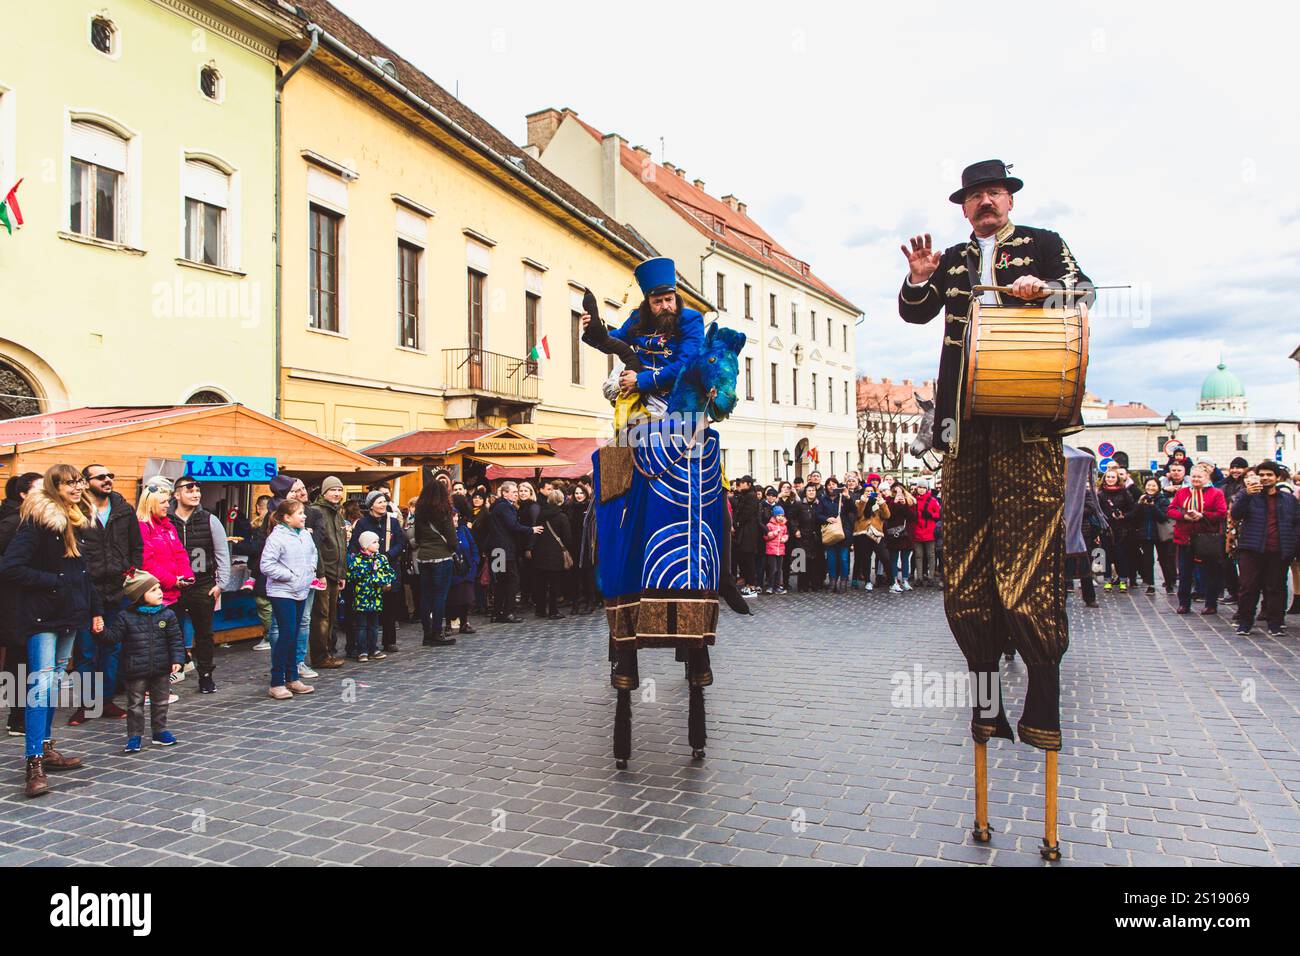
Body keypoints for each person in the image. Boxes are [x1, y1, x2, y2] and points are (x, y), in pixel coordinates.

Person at [899, 158, 1093, 778]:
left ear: (1009, 200)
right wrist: (918, 279)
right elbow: (916, 313)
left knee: (1028, 546)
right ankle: (985, 693)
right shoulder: (954, 258)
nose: (986, 202)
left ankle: (1041, 694)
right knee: (966, 554)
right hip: (962, 422)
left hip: (1025, 416)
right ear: (964, 207)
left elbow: (1082, 289)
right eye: (976, 195)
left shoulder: (1042, 243)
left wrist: (1047, 291)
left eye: (995, 192)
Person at [0, 465, 102, 798]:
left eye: (79, 482)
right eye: (70, 483)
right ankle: (33, 762)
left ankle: (45, 748)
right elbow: (11, 566)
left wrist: (94, 608)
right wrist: (54, 584)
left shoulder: (75, 519)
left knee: (55, 682)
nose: (78, 487)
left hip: (69, 616)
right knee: (40, 686)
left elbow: (84, 573)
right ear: (54, 486)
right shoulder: (38, 522)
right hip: (42, 616)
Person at [67, 464, 141, 725]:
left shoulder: (123, 509)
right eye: (101, 477)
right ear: (87, 482)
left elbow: (136, 545)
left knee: (113, 647)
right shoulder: (75, 512)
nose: (108, 480)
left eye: (111, 475)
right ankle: (86, 704)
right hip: (88, 589)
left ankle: (106, 700)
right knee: (86, 651)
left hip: (118, 589)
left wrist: (132, 571)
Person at [98, 570, 184, 753]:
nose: (159, 592)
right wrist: (100, 631)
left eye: (159, 587)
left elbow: (176, 640)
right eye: (153, 589)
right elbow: (113, 638)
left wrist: (177, 659)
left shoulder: (167, 615)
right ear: (139, 596)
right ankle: (134, 736)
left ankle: (160, 731)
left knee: (161, 702)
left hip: (161, 667)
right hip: (135, 668)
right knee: (135, 704)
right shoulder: (125, 616)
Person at [168, 476, 230, 693]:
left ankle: (205, 675)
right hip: (173, 586)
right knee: (170, 632)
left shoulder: (209, 520)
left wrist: (221, 584)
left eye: (197, 490)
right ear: (176, 494)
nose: (195, 493)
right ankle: (175, 670)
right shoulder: (166, 520)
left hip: (202, 584)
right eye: (189, 489)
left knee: (204, 633)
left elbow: (222, 553)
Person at [137, 477, 193, 694]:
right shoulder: (143, 527)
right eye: (163, 503)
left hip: (173, 595)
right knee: (154, 645)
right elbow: (147, 562)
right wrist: (171, 580)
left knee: (169, 640)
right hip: (155, 594)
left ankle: (161, 683)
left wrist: (185, 576)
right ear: (151, 504)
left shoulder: (168, 526)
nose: (167, 506)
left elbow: (179, 553)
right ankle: (150, 688)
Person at [259, 499, 318, 700]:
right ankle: (276, 682)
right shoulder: (277, 538)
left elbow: (313, 555)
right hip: (282, 591)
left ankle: (293, 678)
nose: (304, 516)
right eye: (299, 513)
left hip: (301, 589)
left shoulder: (305, 535)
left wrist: (310, 572)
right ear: (286, 517)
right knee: (286, 634)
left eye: (303, 512)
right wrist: (290, 575)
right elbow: (266, 565)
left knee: (294, 634)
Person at [1231, 462, 1298, 637]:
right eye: (1262, 475)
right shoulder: (1248, 496)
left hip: (1278, 550)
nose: (1265, 478)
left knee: (1276, 587)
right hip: (1252, 549)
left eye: (1269, 475)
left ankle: (1276, 623)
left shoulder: (1288, 499)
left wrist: (1291, 545)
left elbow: (1296, 523)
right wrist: (1246, 494)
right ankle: (1245, 622)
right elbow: (1236, 514)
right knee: (1248, 587)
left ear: (1277, 478)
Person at [1, 472, 42, 738]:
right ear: (24, 495)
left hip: (24, 600)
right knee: (19, 657)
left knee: (21, 656)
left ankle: (18, 714)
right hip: (14, 600)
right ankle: (16, 717)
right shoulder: (13, 522)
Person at [346, 490, 407, 654]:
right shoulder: (362, 523)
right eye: (379, 502)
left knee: (389, 606)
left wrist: (388, 555)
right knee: (365, 613)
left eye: (384, 501)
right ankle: (362, 646)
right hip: (367, 573)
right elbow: (355, 545)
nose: (383, 504)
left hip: (388, 568)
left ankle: (389, 641)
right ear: (371, 505)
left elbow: (401, 542)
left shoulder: (392, 522)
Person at [1168, 462, 1228, 615]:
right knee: (1185, 573)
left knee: (1209, 573)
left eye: (1199, 477)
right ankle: (1184, 603)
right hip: (1185, 537)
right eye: (1193, 476)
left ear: (1207, 478)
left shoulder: (1216, 493)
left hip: (1206, 538)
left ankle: (1210, 603)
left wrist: (1203, 515)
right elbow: (1171, 509)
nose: (1196, 479)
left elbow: (1221, 513)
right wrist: (1184, 515)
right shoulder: (1182, 492)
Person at [306, 476, 348, 671]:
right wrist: (320, 572)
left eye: (339, 490)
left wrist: (342, 574)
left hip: (335, 571)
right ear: (324, 492)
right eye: (333, 490)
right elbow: (317, 546)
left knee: (331, 615)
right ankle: (320, 656)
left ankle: (328, 651)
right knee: (321, 615)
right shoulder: (317, 511)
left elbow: (341, 545)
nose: (337, 494)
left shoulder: (338, 513)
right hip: (322, 572)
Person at [485, 482, 542, 623]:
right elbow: (513, 526)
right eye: (513, 491)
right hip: (503, 550)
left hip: (497, 549)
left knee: (500, 581)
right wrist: (531, 530)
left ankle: (497, 612)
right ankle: (508, 612)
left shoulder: (498, 506)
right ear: (504, 493)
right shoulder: (504, 507)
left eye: (517, 491)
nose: (517, 494)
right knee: (511, 580)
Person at [412, 477, 458, 646]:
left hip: (424, 557)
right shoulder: (444, 511)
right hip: (442, 557)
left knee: (425, 596)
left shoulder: (420, 512)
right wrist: (452, 548)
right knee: (440, 596)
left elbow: (417, 537)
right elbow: (452, 539)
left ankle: (427, 633)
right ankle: (437, 633)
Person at [347, 531, 397, 661]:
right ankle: (362, 650)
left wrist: (381, 579)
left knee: (374, 626)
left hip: (375, 598)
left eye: (377, 541)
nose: (378, 544)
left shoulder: (380, 559)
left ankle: (373, 648)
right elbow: (351, 576)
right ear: (364, 545)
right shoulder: (357, 560)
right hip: (361, 598)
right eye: (374, 542)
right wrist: (367, 573)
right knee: (361, 626)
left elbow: (390, 573)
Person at [532, 489, 573, 618]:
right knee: (554, 584)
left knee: (541, 584)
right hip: (555, 554)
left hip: (540, 553)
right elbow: (567, 537)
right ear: (561, 501)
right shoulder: (562, 517)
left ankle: (540, 610)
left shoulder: (541, 514)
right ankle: (553, 611)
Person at [1128, 478, 1171, 595]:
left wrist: (1152, 506)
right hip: (1145, 534)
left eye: (1153, 486)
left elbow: (1163, 517)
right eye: (1148, 486)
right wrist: (1139, 504)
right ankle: (1150, 584)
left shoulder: (1163, 500)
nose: (1150, 488)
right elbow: (1132, 516)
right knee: (1148, 560)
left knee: (1164, 560)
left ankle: (1169, 583)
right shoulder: (1141, 499)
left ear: (1158, 487)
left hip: (1160, 534)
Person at [446, 496, 480, 635]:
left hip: (467, 569)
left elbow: (473, 546)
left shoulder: (464, 530)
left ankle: (464, 623)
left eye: (456, 517)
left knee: (466, 599)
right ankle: (448, 624)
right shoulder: (445, 532)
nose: (455, 520)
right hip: (453, 571)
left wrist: (474, 561)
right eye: (452, 518)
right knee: (451, 600)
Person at [1097, 471, 1134, 593]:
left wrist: (1123, 515)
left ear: (1117, 479)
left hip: (1122, 529)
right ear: (1104, 478)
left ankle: (1123, 580)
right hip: (1106, 528)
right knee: (1106, 555)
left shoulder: (1124, 492)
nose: (1110, 479)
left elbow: (1132, 509)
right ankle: (1108, 580)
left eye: (1113, 477)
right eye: (1108, 477)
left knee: (1121, 555)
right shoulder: (1100, 493)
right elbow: (1098, 511)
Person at [816, 477, 853, 592]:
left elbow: (853, 510)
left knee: (843, 559)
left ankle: (843, 581)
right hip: (830, 533)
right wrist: (827, 518)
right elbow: (817, 515)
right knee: (831, 559)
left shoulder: (843, 498)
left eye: (834, 484)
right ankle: (832, 581)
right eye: (829, 484)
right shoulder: (823, 499)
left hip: (843, 532)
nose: (831, 486)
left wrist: (847, 496)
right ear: (826, 487)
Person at [731, 476, 760, 595]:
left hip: (749, 533)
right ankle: (748, 583)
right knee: (744, 559)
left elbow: (746, 513)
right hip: (743, 532)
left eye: (742, 483)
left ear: (748, 484)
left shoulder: (751, 496)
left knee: (749, 559)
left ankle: (752, 585)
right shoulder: (744, 495)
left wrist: (737, 524)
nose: (740, 485)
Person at [884, 482, 916, 591]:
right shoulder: (888, 501)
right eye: (895, 491)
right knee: (893, 558)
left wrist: (904, 504)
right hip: (894, 534)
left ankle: (905, 580)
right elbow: (888, 516)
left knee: (905, 558)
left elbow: (912, 516)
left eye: (900, 491)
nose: (898, 494)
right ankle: (894, 581)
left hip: (906, 534)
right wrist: (894, 502)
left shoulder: (910, 501)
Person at [912, 478, 942, 587]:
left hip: (929, 532)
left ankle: (931, 577)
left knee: (931, 555)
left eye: (924, 488)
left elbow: (939, 514)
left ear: (927, 489)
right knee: (918, 556)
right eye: (920, 487)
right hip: (917, 532)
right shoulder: (913, 500)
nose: (921, 490)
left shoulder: (933, 500)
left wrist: (930, 515)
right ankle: (919, 577)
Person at [796, 483, 825, 591]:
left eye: (813, 490)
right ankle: (802, 585)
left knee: (816, 562)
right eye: (809, 490)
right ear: (805, 492)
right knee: (802, 561)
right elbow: (792, 518)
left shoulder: (820, 504)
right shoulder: (799, 505)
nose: (811, 492)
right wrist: (796, 530)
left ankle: (815, 584)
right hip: (803, 536)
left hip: (817, 536)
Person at [763, 505, 789, 594]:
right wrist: (774, 533)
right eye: (779, 516)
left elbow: (786, 534)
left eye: (782, 516)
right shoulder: (769, 525)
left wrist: (785, 538)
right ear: (774, 516)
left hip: (780, 551)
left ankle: (777, 586)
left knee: (779, 569)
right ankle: (770, 586)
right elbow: (766, 537)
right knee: (772, 569)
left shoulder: (784, 526)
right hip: (771, 551)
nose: (781, 518)